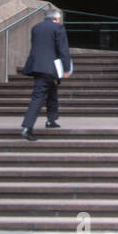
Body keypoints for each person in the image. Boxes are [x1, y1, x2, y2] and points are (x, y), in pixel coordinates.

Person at [20, 8, 72, 142]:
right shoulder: (58, 28)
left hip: (37, 66)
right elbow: (63, 50)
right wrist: (66, 69)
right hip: (51, 67)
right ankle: (27, 127)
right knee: (38, 97)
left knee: (52, 91)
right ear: (56, 18)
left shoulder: (36, 28)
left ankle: (51, 119)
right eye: (59, 18)